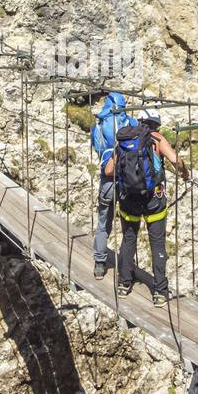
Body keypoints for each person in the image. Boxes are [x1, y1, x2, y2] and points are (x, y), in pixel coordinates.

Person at [103, 108, 188, 306]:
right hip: (154, 199)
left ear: (139, 120)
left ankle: (124, 284)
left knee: (129, 239)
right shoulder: (157, 139)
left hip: (129, 199)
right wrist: (186, 173)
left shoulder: (124, 140)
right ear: (156, 124)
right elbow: (176, 161)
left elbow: (108, 170)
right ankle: (159, 292)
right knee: (157, 243)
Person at [90, 92, 134, 279]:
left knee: (103, 222)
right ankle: (126, 268)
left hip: (107, 180)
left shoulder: (97, 127)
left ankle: (100, 263)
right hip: (127, 180)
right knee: (129, 226)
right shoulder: (131, 123)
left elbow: (97, 148)